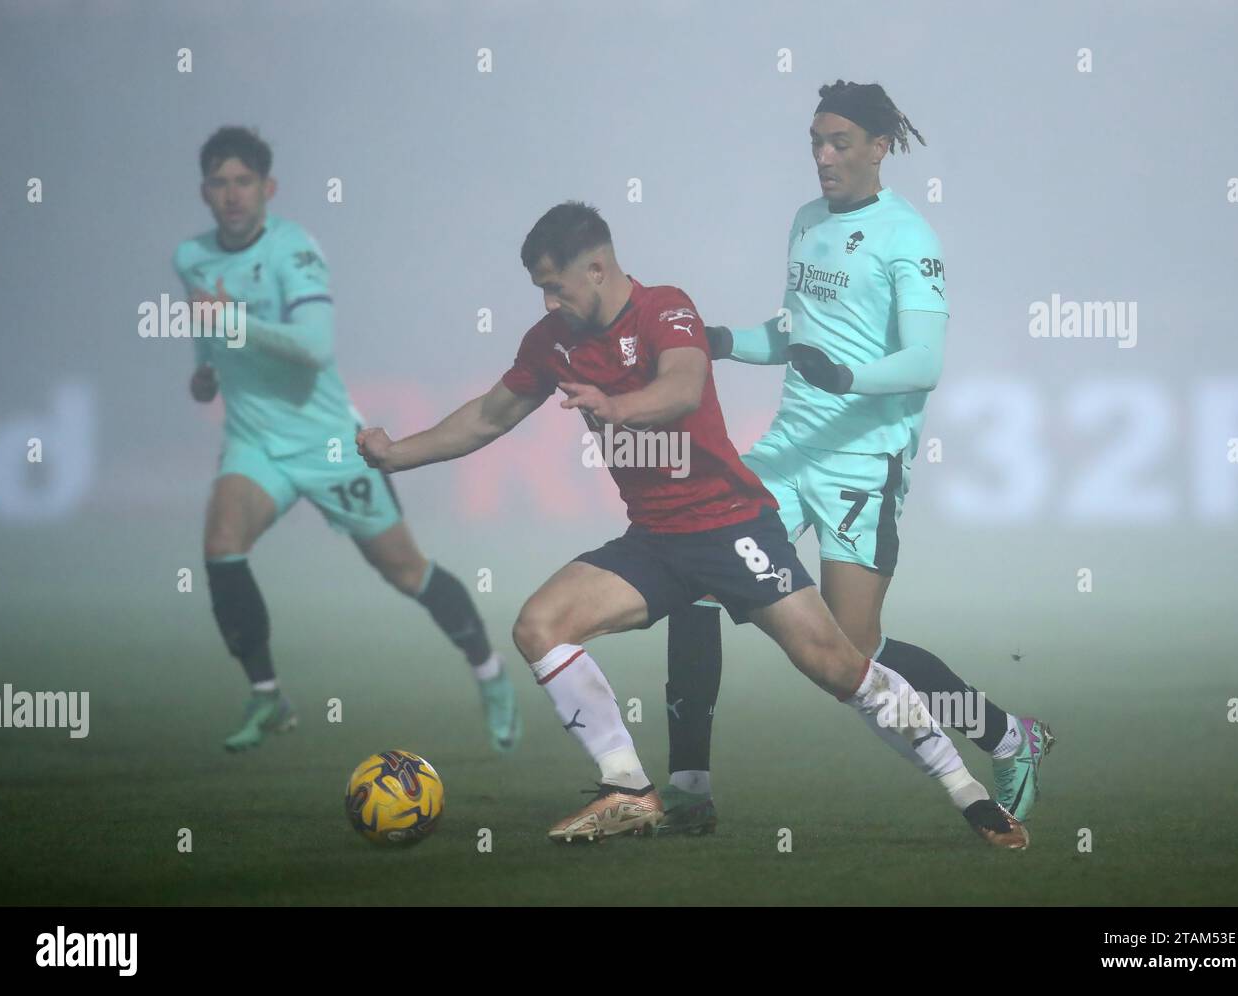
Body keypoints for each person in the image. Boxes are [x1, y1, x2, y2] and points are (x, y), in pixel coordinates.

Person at [357, 202, 1028, 847]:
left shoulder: (666, 309)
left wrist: (617, 406)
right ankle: (626, 787)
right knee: (539, 626)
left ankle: (967, 791)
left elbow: (682, 386)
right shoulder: (551, 341)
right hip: (654, 540)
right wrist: (397, 454)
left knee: (837, 664)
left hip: (732, 528)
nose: (548, 303)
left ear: (596, 268)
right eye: (540, 290)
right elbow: (489, 416)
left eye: (555, 287)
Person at [657, 81, 1053, 836]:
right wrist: (722, 340)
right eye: (815, 140)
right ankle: (690, 788)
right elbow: (793, 334)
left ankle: (1008, 735)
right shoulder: (806, 222)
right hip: (787, 450)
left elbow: (924, 361)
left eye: (840, 142)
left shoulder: (910, 239)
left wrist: (848, 378)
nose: (823, 156)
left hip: (863, 463)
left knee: (852, 650)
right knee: (696, 582)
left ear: (880, 148)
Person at [174, 126, 519, 753]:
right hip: (255, 443)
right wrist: (205, 370)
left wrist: (235, 322)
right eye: (220, 182)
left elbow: (315, 348)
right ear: (204, 191)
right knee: (223, 546)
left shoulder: (295, 251)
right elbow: (209, 335)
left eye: (243, 181)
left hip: (330, 444)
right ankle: (267, 696)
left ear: (268, 188)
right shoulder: (191, 258)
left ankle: (490, 674)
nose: (232, 194)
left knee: (407, 571)